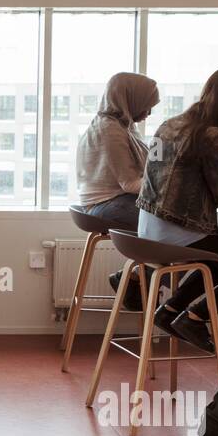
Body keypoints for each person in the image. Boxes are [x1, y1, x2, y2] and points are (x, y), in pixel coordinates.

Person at [136, 68, 218, 353]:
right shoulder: (210, 136)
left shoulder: (169, 125)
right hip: (178, 230)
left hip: (147, 227)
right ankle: (195, 317)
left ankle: (170, 311)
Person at [74, 72, 159, 310]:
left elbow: (144, 169)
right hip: (106, 204)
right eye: (146, 105)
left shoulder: (125, 126)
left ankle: (134, 278)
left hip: (113, 200)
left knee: (171, 229)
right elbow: (130, 183)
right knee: (170, 229)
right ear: (130, 99)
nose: (149, 113)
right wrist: (167, 182)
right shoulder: (110, 130)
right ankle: (139, 282)